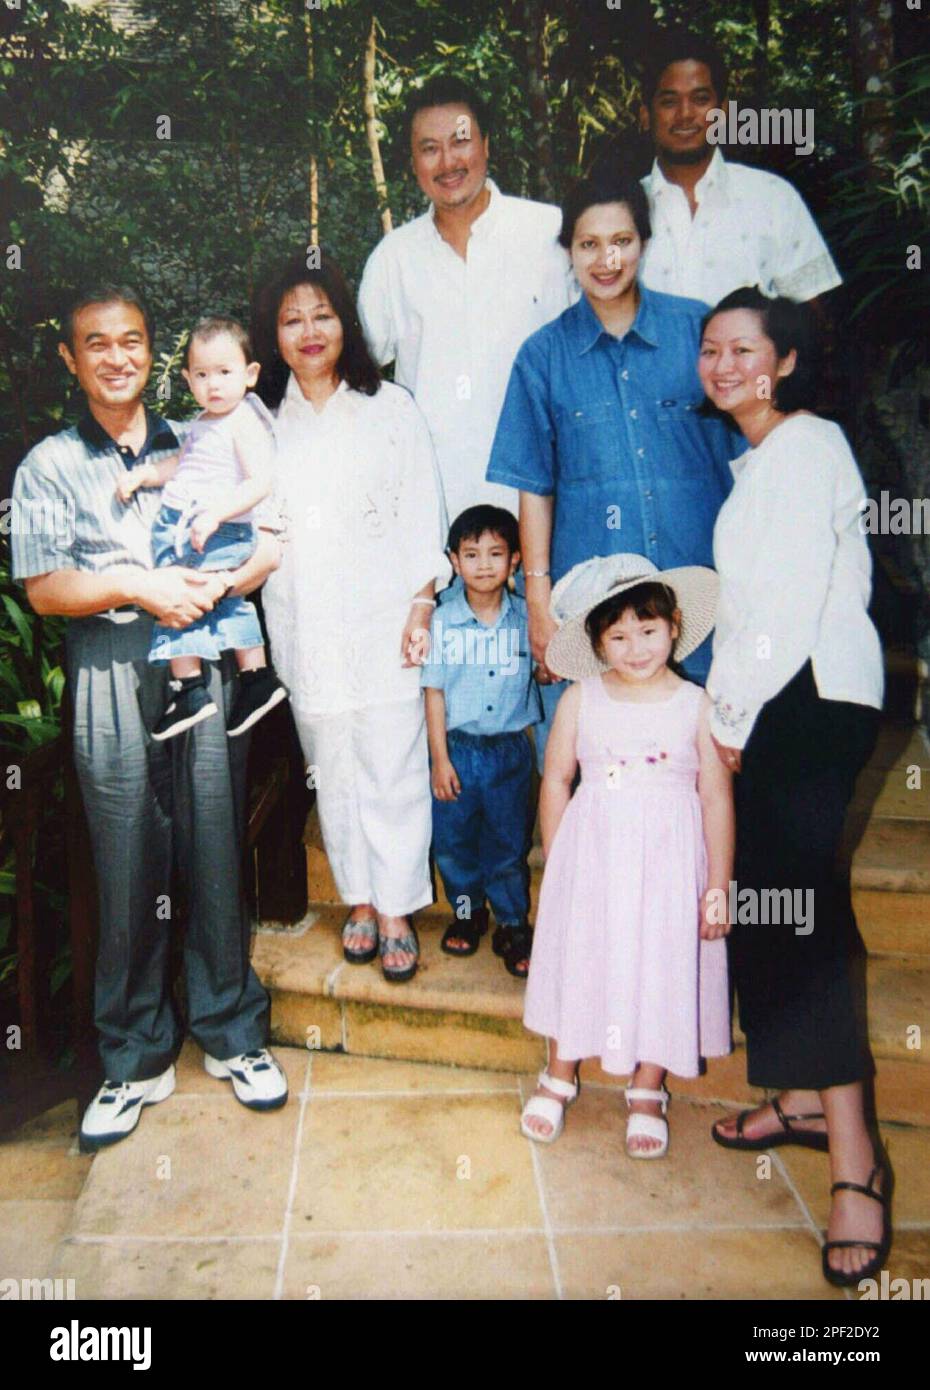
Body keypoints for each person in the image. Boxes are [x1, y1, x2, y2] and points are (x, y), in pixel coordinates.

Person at [10, 286, 288, 1151]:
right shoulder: (49, 464)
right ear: (70, 357)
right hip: (107, 669)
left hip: (198, 655)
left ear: (152, 349)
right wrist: (139, 586)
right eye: (98, 344)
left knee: (212, 837)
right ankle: (132, 1057)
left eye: (132, 341)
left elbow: (267, 529)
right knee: (127, 858)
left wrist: (220, 585)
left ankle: (232, 1032)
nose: (118, 357)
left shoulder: (198, 432)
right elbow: (44, 588)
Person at [698, 288, 889, 1287]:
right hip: (783, 698)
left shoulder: (806, 444)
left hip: (808, 699)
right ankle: (804, 1098)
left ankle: (857, 1162)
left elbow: (779, 602)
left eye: (745, 349)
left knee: (804, 912)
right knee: (774, 903)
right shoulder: (764, 460)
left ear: (783, 362)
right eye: (711, 349)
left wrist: (726, 719)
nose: (724, 364)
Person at [486, 170, 737, 766]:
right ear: (569, 252)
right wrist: (540, 607)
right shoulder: (542, 357)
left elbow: (745, 462)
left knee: (708, 786)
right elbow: (534, 490)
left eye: (621, 240)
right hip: (595, 622)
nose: (607, 259)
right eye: (589, 244)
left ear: (644, 243)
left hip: (703, 608)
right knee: (595, 780)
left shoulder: (699, 332)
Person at [252, 251, 451, 983]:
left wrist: (423, 602)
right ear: (270, 336)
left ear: (346, 322)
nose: (309, 331)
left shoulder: (389, 407)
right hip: (304, 624)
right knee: (330, 763)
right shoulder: (260, 421)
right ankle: (359, 900)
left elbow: (420, 513)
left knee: (393, 761)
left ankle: (399, 907)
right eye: (291, 319)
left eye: (322, 314)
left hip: (387, 618)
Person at [519, 554, 732, 1157]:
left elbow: (715, 797)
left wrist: (717, 884)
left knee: (660, 962)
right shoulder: (581, 700)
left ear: (674, 625)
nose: (636, 648)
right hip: (594, 859)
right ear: (597, 642)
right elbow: (556, 779)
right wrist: (561, 864)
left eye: (648, 630)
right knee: (584, 955)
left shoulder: (696, 704)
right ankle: (561, 1070)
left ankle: (647, 1084)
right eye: (618, 636)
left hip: (669, 866)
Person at [358, 75, 574, 524]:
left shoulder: (550, 234)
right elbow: (354, 378)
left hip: (545, 502)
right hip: (437, 513)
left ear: (486, 144)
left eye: (460, 141)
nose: (448, 161)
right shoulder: (393, 260)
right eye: (429, 148)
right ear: (413, 161)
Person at [116, 315, 287, 740]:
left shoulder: (243, 421)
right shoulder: (203, 422)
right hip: (193, 525)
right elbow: (181, 466)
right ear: (188, 379)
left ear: (249, 375)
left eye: (224, 372)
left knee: (179, 595)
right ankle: (253, 678)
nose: (213, 384)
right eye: (203, 374)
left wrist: (217, 514)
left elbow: (261, 481)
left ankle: (191, 688)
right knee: (222, 603)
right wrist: (144, 476)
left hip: (219, 528)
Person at [422, 505, 542, 978]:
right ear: (454, 561)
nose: (485, 564)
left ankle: (512, 922)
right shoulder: (443, 622)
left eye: (496, 553)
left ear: (515, 559)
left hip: (511, 751)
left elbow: (547, 668)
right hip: (458, 750)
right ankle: (468, 913)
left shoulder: (527, 620)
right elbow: (433, 692)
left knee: (507, 842)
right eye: (472, 554)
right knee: (453, 841)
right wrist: (439, 759)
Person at [636, 30, 842, 307]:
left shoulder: (773, 198)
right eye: (669, 101)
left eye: (700, 99)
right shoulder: (620, 210)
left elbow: (812, 319)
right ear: (646, 116)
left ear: (724, 111)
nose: (685, 114)